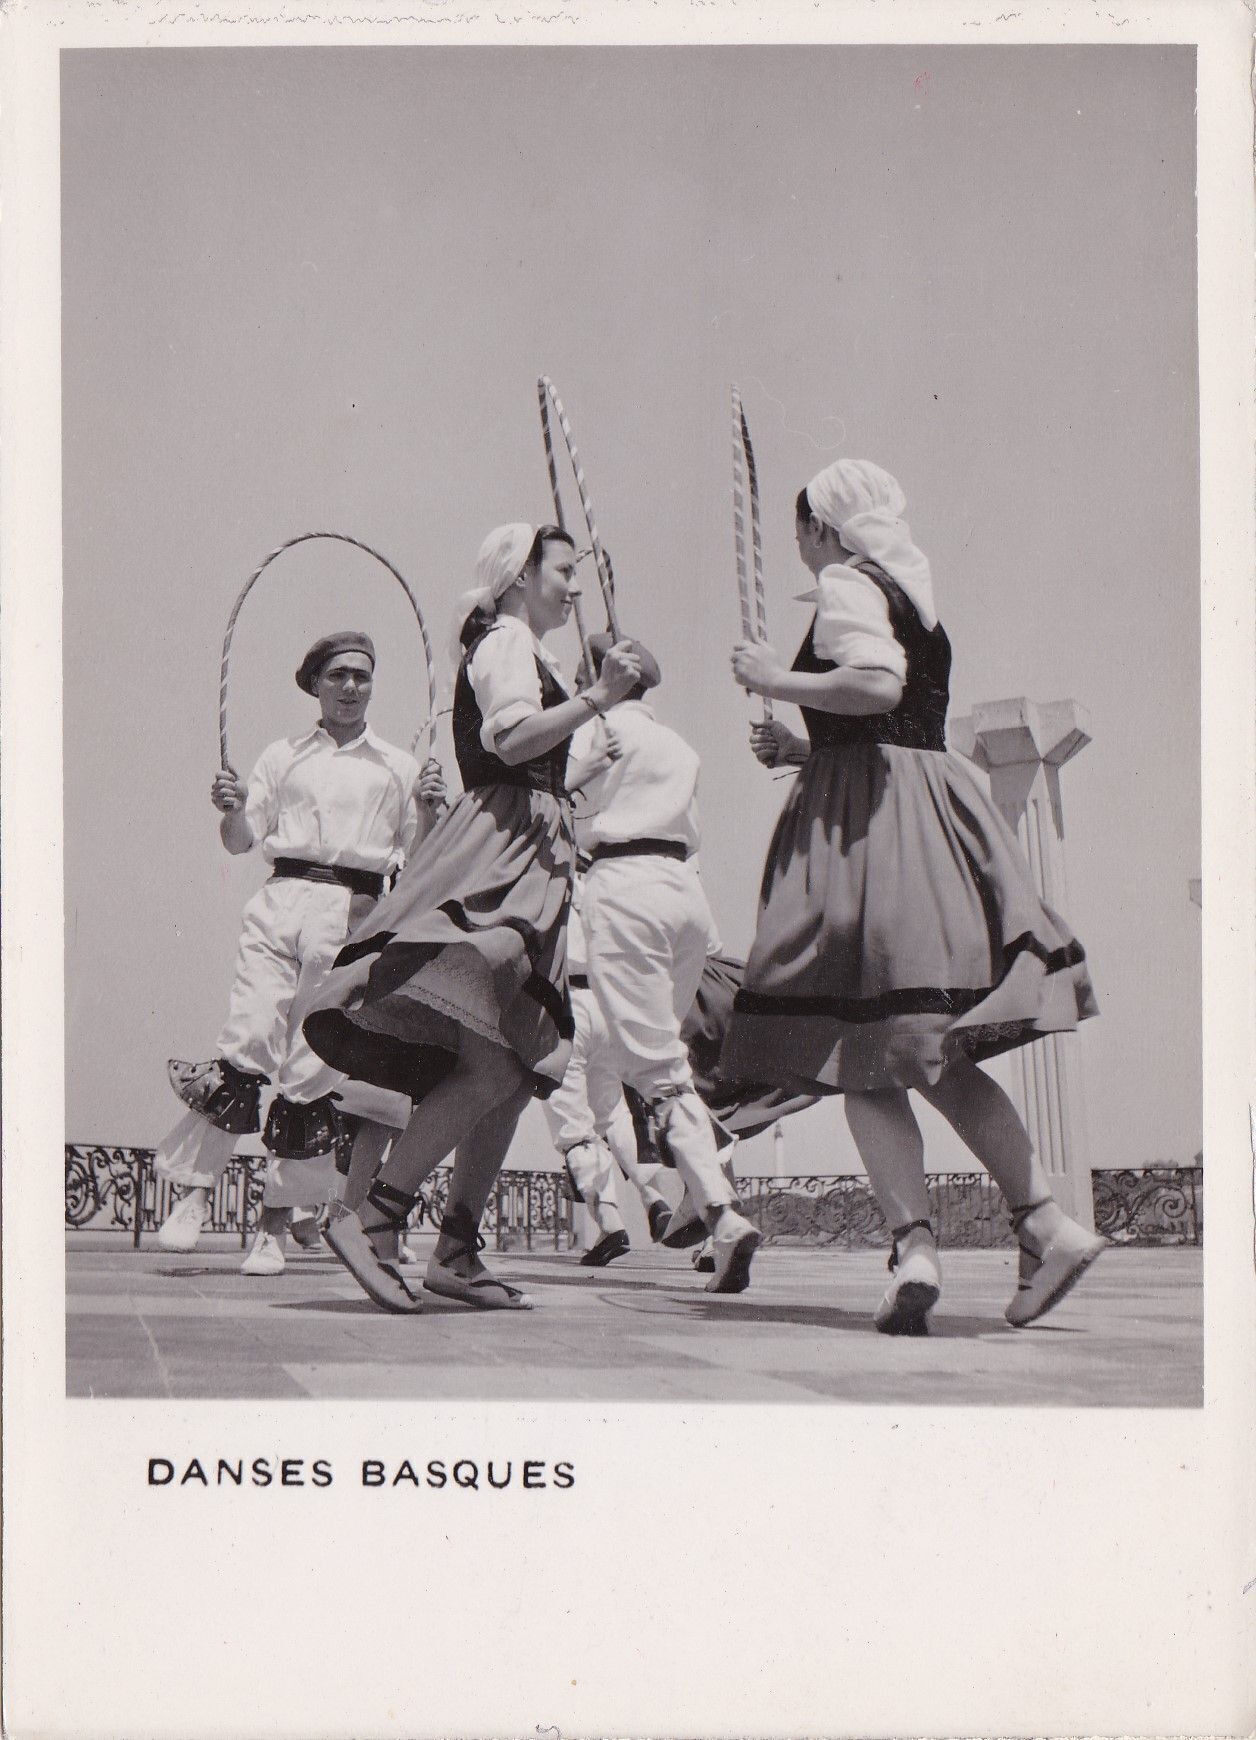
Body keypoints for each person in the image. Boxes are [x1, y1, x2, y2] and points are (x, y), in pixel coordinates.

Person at [721, 458, 1104, 1335]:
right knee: (934, 1047)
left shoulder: (848, 586)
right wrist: (802, 748)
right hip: (928, 813)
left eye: (802, 532)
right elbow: (895, 713)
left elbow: (877, 686)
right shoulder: (910, 592)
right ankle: (1044, 1221)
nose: (800, 549)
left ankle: (917, 1247)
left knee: (855, 1050)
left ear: (822, 527)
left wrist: (775, 680)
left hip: (867, 832)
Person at [298, 524, 642, 1313]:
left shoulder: (525, 645)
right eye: (563, 572)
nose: (575, 587)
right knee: (498, 1063)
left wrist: (587, 748)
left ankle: (455, 1248)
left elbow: (543, 764)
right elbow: (513, 740)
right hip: (502, 853)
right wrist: (598, 699)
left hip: (534, 853)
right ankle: (372, 1219)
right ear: (519, 577)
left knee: (522, 1068)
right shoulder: (504, 641)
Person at [154, 631, 442, 1275]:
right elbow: (239, 840)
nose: (349, 687)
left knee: (311, 1071)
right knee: (247, 1042)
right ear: (315, 683)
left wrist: (427, 810)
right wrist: (228, 811)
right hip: (283, 898)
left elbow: (418, 860)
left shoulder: (398, 765)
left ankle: (273, 1229)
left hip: (354, 913)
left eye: (361, 676)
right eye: (337, 675)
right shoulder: (282, 756)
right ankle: (195, 1194)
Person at [570, 633, 763, 1293]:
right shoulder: (680, 746)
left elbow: (557, 814)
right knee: (654, 1063)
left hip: (622, 888)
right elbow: (696, 835)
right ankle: (702, 1185)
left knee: (651, 1070)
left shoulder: (592, 736)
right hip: (683, 894)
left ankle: (717, 1206)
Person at [542, 866, 674, 1267]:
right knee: (613, 1114)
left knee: (571, 1122)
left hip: (566, 1005)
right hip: (606, 1003)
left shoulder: (546, 878)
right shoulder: (602, 882)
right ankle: (654, 1197)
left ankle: (609, 1220)